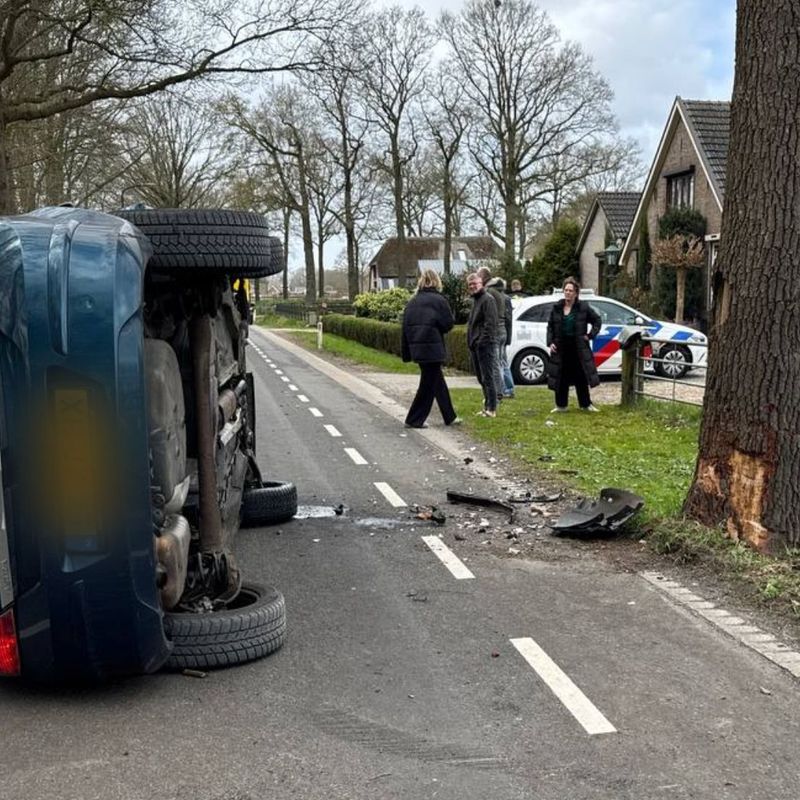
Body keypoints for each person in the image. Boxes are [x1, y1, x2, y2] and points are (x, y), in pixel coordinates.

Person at [401, 269, 461, 428]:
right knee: (428, 384)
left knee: (436, 381)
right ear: (437, 281)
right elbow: (448, 324)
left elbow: (405, 327)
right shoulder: (439, 301)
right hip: (433, 348)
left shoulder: (412, 302)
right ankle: (414, 419)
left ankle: (450, 416)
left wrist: (407, 350)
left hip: (417, 348)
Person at [546, 276, 602, 412]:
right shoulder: (557, 307)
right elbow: (550, 326)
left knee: (580, 375)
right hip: (561, 346)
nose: (568, 293)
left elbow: (597, 320)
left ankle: (585, 404)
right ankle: (561, 405)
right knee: (561, 376)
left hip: (578, 346)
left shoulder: (583, 307)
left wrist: (590, 336)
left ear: (576, 292)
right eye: (566, 290)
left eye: (570, 290)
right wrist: (550, 342)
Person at [466, 271, 499, 417]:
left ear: (481, 284)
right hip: (476, 345)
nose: (472, 286)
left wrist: (481, 341)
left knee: (488, 377)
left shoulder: (487, 300)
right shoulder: (476, 300)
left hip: (485, 345)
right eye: (470, 284)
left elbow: (490, 324)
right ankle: (487, 406)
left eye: (475, 283)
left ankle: (492, 408)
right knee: (481, 378)